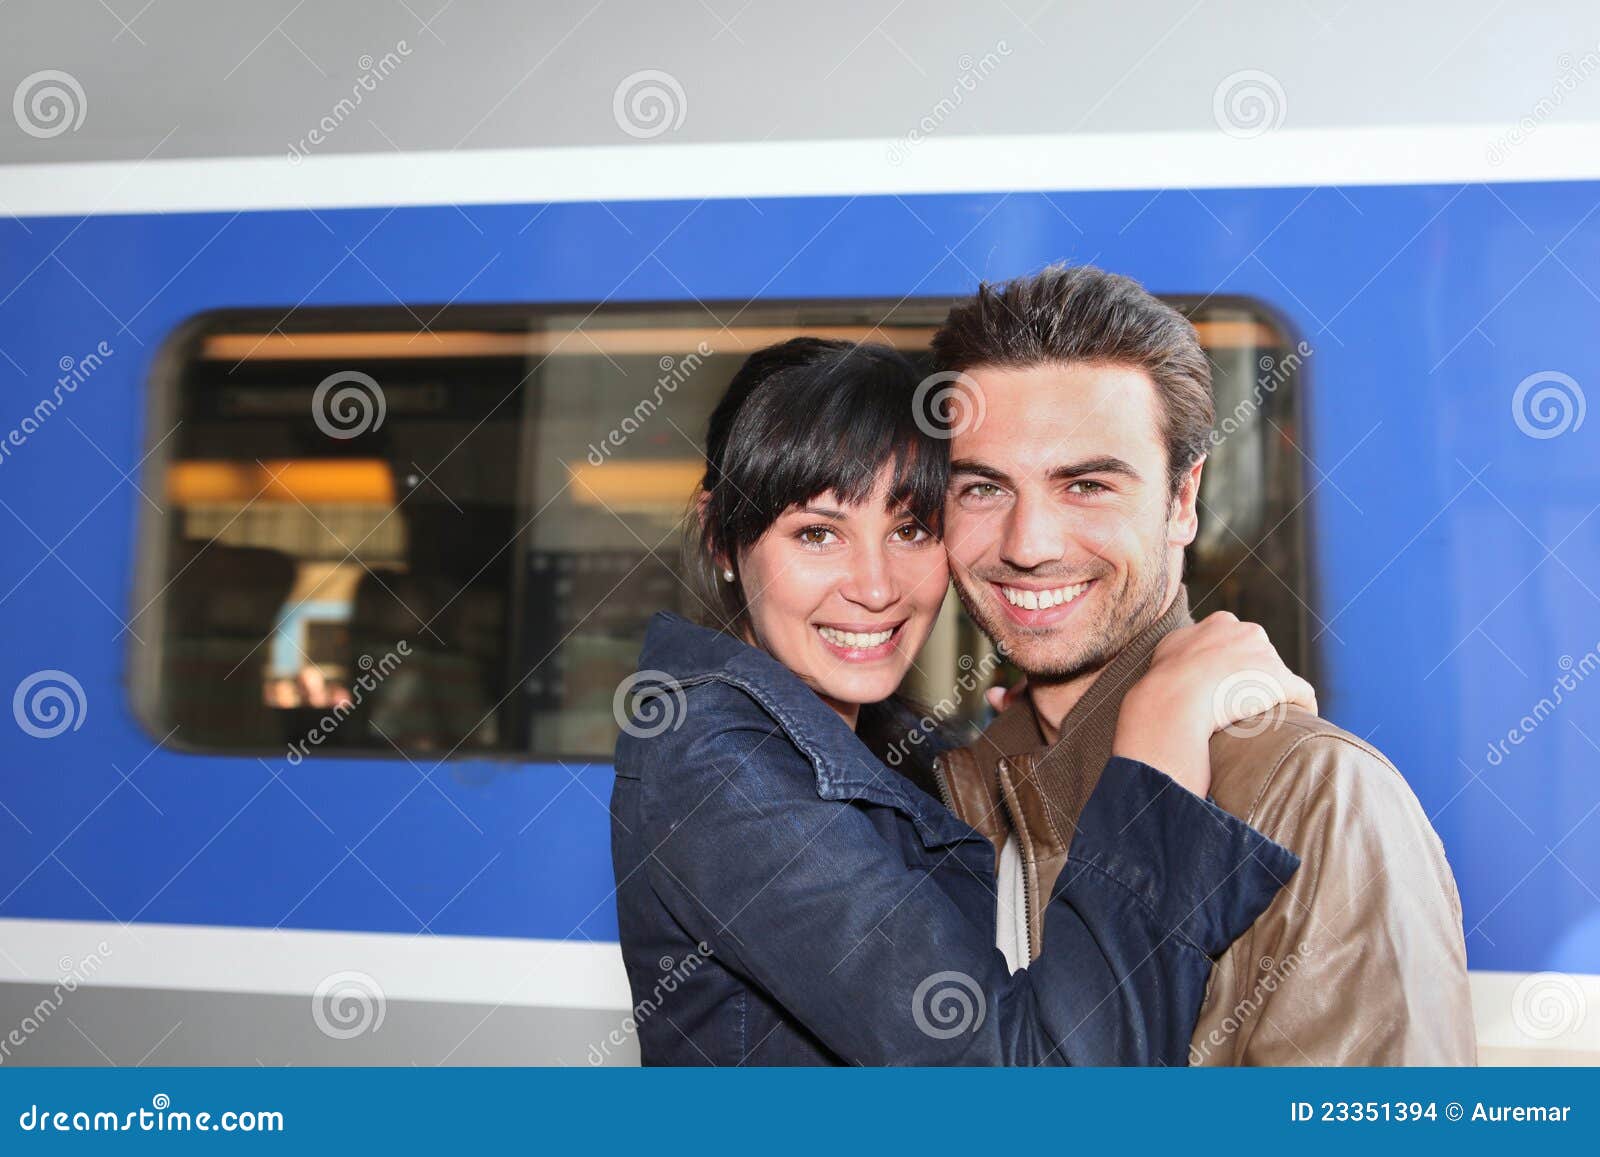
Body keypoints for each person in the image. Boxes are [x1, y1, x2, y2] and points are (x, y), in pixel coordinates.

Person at [609, 337, 1310, 1065]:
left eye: (911, 530)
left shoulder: (877, 741)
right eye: (817, 533)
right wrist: (1156, 753)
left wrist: (1027, 738)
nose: (876, 587)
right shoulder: (718, 770)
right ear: (722, 537)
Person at [930, 264, 1477, 1065]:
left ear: (1183, 500)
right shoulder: (957, 793)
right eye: (983, 488)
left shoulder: (1311, 798)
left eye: (1085, 484)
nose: (1027, 544)